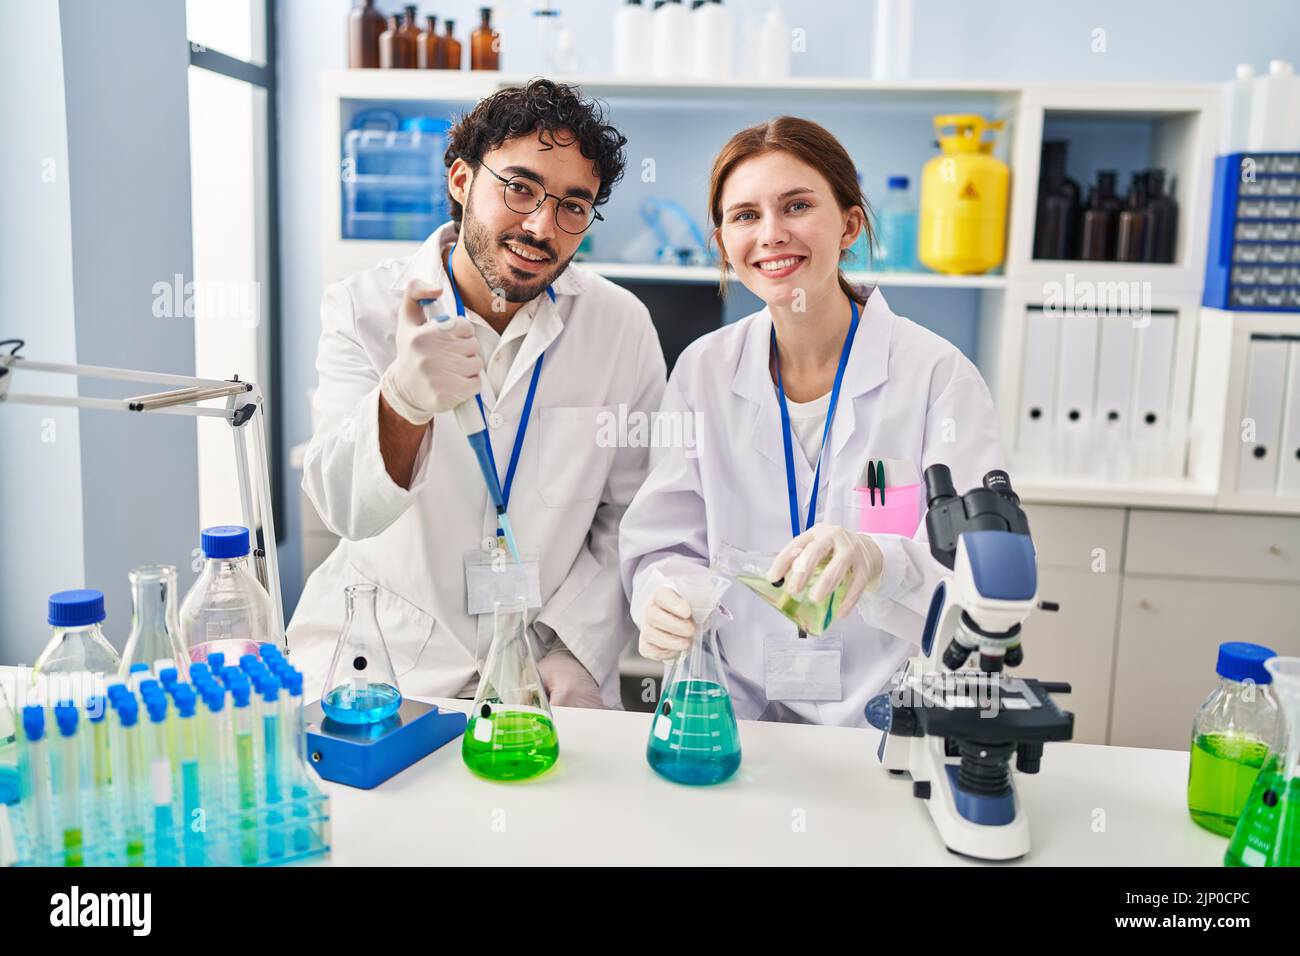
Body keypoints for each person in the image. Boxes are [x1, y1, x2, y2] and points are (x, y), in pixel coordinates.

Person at [289, 79, 666, 709]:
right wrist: (402, 403)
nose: (542, 226)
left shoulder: (619, 325)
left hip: (541, 670)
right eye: (519, 188)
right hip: (382, 666)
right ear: (462, 181)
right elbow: (344, 509)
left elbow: (628, 513)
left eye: (574, 205)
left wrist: (576, 650)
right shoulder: (363, 310)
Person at [619, 116, 1006, 726]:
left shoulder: (936, 377)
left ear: (850, 224)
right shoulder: (703, 371)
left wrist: (881, 559)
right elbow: (664, 540)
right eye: (744, 216)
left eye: (796, 206)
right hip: (729, 715)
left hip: (883, 721)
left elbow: (982, 575)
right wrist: (659, 594)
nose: (771, 235)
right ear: (722, 242)